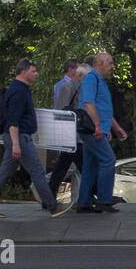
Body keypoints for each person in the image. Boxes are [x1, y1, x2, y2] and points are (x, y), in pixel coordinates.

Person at [0, 59, 73, 219]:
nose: (36, 74)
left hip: (17, 137)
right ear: (23, 72)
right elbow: (13, 121)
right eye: (33, 71)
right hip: (20, 138)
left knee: (5, 171)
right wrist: (16, 144)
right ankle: (53, 206)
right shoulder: (18, 91)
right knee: (37, 171)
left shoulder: (19, 89)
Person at [75, 52, 128, 214]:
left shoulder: (100, 81)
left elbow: (103, 109)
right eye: (110, 63)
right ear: (100, 63)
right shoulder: (91, 79)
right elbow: (89, 104)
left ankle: (83, 203)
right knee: (108, 160)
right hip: (92, 130)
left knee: (90, 165)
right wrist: (98, 127)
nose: (113, 66)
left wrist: (116, 128)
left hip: (98, 129)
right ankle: (104, 200)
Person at [47, 62, 90, 203]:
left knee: (63, 167)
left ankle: (49, 197)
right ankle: (94, 195)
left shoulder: (72, 86)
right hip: (70, 134)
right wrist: (65, 133)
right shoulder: (67, 86)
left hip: (72, 135)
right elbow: (62, 110)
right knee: (79, 166)